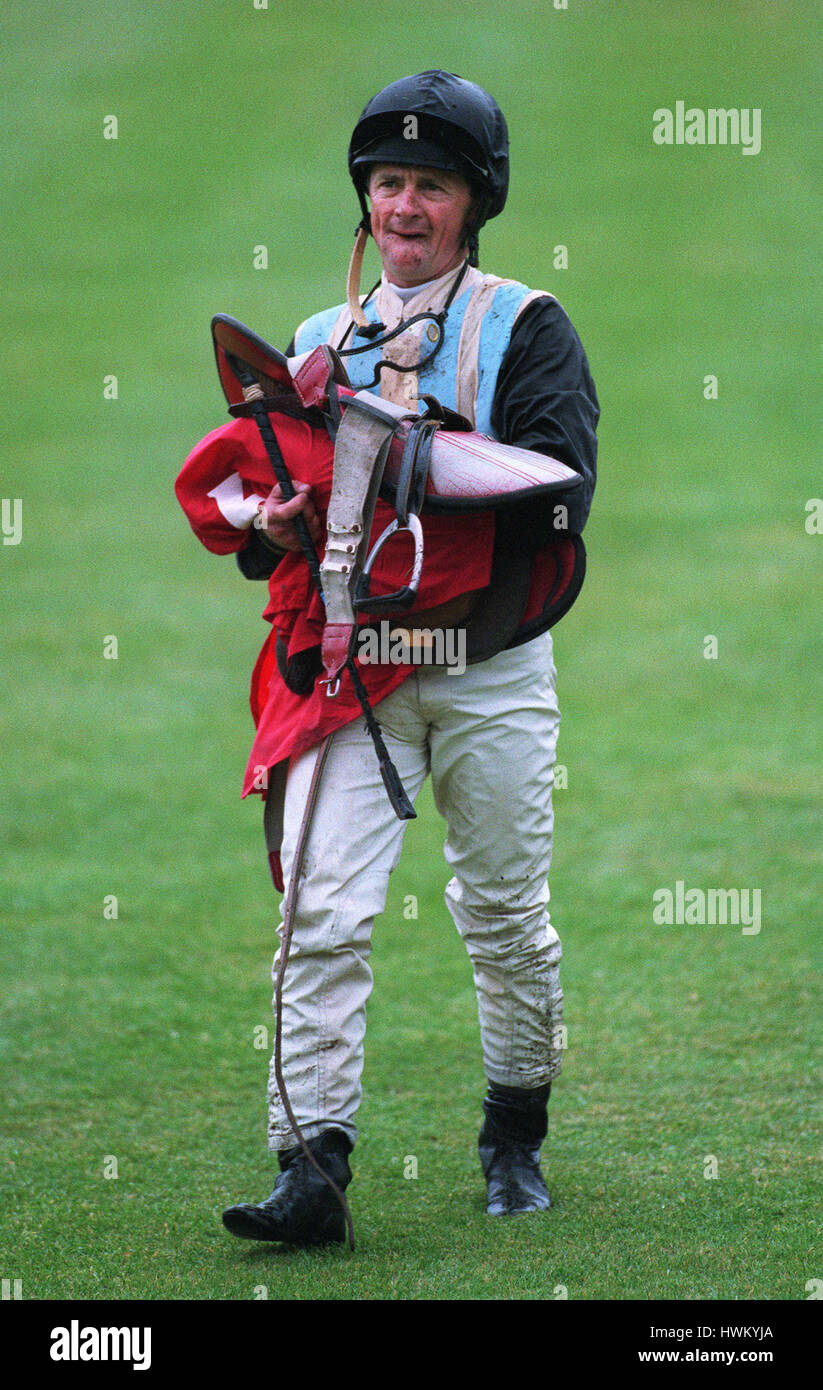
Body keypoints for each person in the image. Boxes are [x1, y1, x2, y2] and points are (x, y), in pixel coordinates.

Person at [181, 70, 599, 1245]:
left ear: (475, 203)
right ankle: (309, 1166)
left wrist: (427, 466)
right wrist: (273, 518)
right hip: (354, 670)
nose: (403, 207)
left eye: (430, 185)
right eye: (386, 184)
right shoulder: (318, 340)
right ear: (363, 198)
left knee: (504, 914)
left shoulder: (529, 326)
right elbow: (279, 509)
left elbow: (562, 507)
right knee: (319, 912)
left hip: (488, 665)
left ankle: (513, 1134)